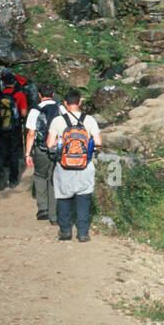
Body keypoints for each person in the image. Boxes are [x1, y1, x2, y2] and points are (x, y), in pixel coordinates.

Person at [46, 89, 102, 242]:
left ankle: (65, 231)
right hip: (85, 165)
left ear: (65, 103)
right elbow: (98, 142)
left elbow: (49, 143)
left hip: (64, 166)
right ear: (80, 102)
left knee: (64, 197)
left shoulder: (58, 121)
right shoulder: (89, 120)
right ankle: (83, 233)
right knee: (83, 198)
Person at [0, 69, 29, 191]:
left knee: (1, 152)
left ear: (3, 83)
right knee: (13, 152)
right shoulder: (20, 95)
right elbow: (24, 113)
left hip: (0, 129)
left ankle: (0, 173)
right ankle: (13, 180)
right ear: (14, 83)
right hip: (15, 129)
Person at [24, 84, 61, 224]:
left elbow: (31, 134)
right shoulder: (61, 108)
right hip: (57, 149)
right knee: (54, 179)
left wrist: (28, 153)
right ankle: (54, 214)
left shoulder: (35, 110)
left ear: (39, 94)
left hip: (41, 149)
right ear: (53, 93)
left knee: (40, 176)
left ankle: (43, 209)